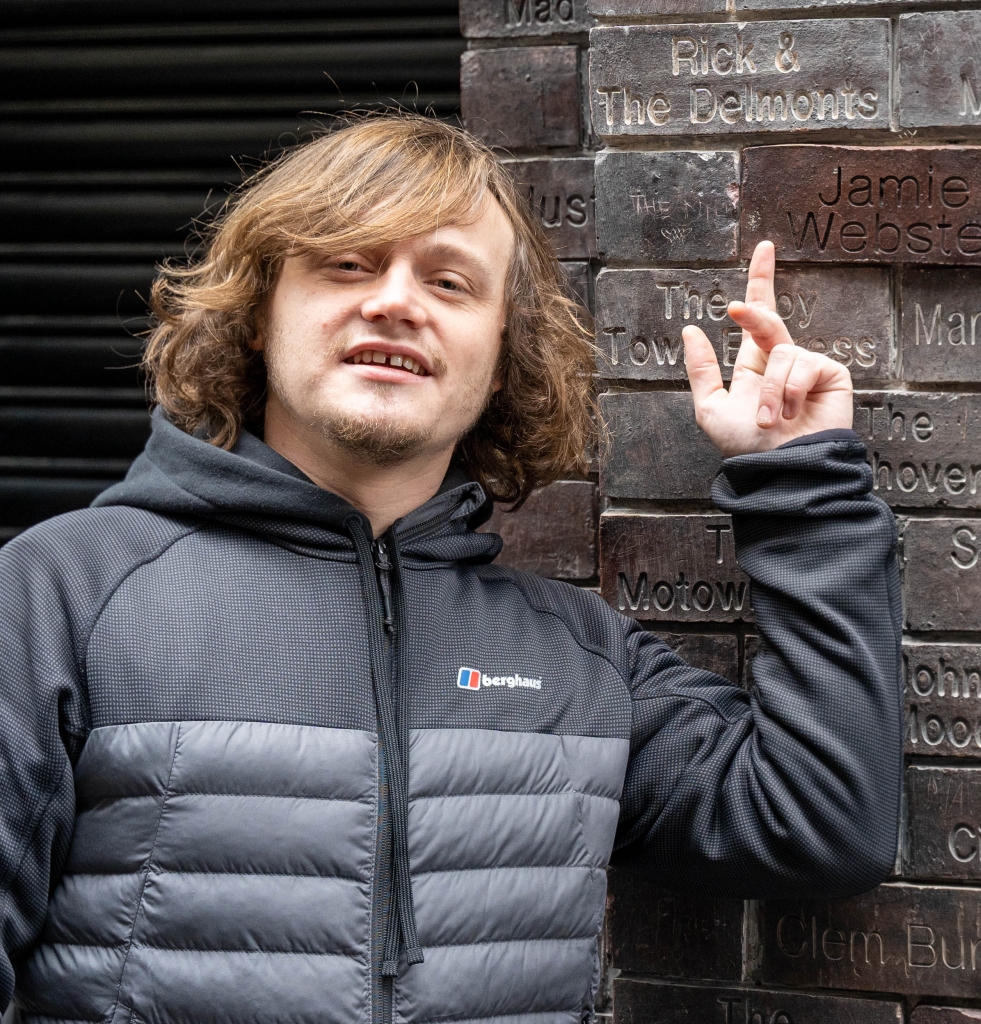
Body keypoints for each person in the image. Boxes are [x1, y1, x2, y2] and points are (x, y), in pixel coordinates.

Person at [0, 115, 901, 1021]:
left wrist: (800, 484)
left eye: (450, 281)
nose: (396, 301)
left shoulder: (577, 657)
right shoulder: (62, 595)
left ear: (501, 354)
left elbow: (820, 825)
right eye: (347, 263)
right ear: (258, 314)